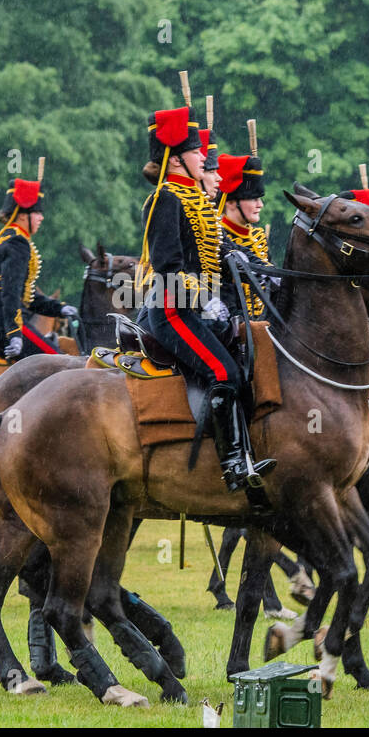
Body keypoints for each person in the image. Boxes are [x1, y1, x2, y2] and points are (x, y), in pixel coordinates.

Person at [137, 105, 274, 497]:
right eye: (195, 151)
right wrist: (203, 297)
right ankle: (232, 464)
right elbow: (167, 267)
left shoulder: (194, 200)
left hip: (196, 309)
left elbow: (220, 253)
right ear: (175, 159)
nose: (203, 157)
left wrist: (253, 269)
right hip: (172, 311)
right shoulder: (165, 199)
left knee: (246, 367)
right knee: (223, 372)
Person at [0, 172, 75, 360]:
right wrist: (14, 334)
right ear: (22, 216)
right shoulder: (17, 243)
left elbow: (25, 295)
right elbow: (10, 292)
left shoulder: (10, 237)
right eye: (37, 213)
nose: (41, 218)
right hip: (4, 323)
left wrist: (58, 308)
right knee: (58, 361)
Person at [215, 152, 271, 318]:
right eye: (253, 199)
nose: (260, 205)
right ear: (232, 202)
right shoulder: (216, 238)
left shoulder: (259, 237)